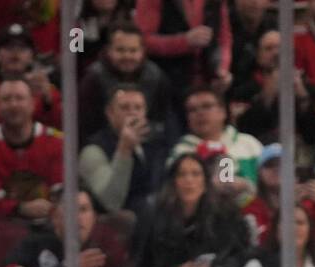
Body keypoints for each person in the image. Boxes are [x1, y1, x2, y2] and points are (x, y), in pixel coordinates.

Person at [134, 152, 251, 267]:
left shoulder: (223, 215)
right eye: (182, 174)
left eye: (195, 174)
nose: (189, 180)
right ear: (173, 182)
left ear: (205, 181)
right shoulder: (153, 217)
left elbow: (238, 256)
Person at [0, 188, 127, 267]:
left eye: (83, 210)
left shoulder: (108, 249)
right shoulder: (31, 247)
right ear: (55, 217)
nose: (78, 217)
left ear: (94, 217)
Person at [76, 20, 176, 145]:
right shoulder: (93, 80)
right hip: (103, 148)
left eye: (133, 50)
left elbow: (166, 123)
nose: (127, 56)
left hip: (148, 147)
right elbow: (84, 127)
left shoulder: (157, 78)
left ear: (142, 51)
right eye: (120, 50)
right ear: (109, 50)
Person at [0, 78, 64, 219]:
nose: (13, 105)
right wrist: (20, 208)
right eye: (6, 99)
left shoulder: (57, 143)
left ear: (33, 104)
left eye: (20, 98)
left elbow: (63, 194)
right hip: (1, 230)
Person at [78, 84, 167, 216]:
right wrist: (124, 148)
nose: (133, 113)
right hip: (112, 225)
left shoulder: (155, 143)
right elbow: (111, 202)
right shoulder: (93, 150)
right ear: (110, 113)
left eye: (138, 107)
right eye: (125, 108)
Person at [168, 86, 264, 187]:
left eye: (207, 106)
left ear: (223, 112)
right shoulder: (181, 152)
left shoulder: (249, 144)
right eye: (192, 110)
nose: (200, 113)